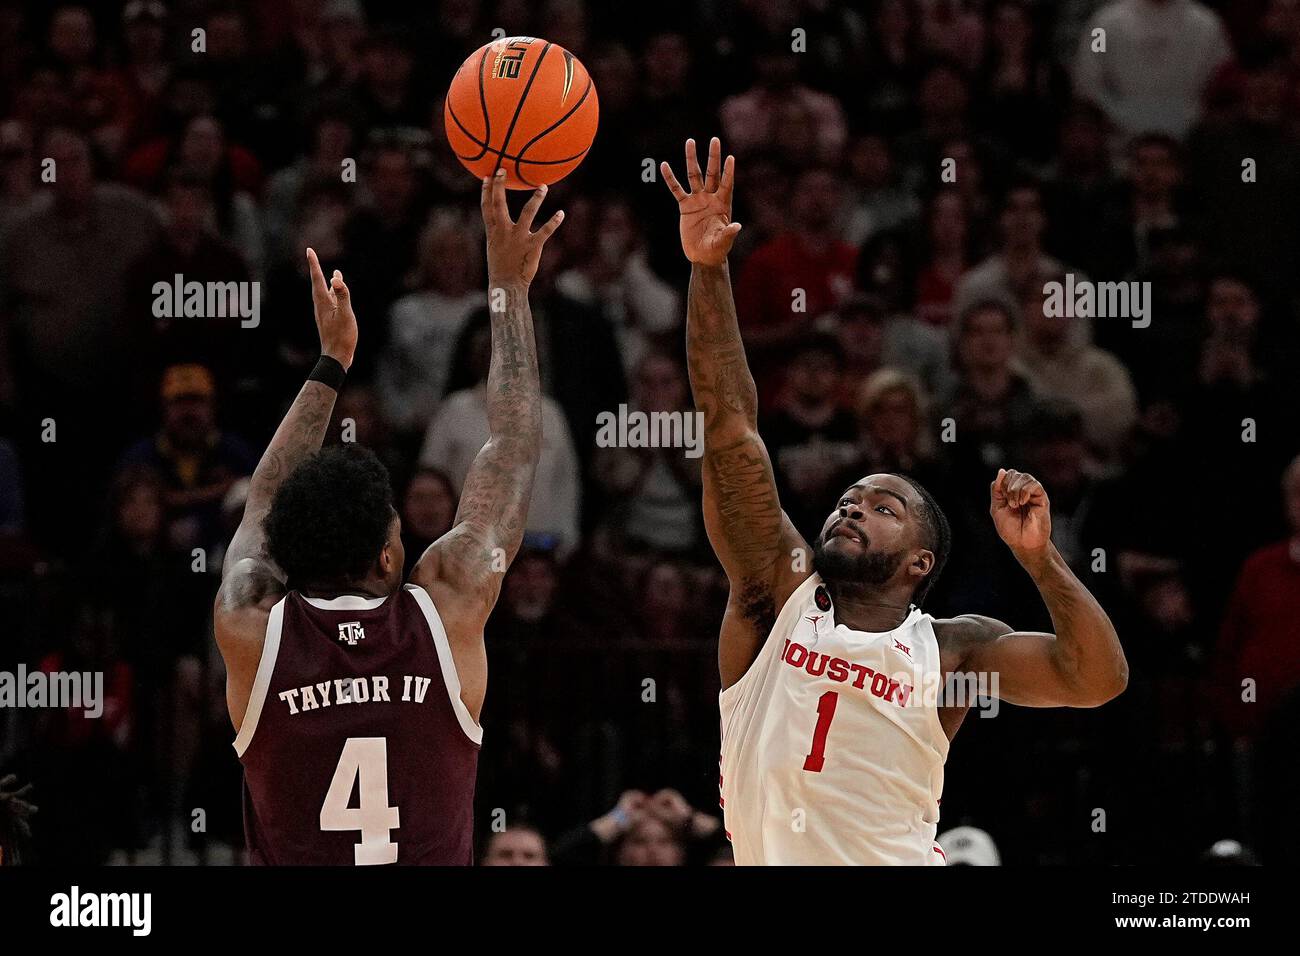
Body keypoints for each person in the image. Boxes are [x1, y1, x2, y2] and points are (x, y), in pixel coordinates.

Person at [661, 136, 1128, 865]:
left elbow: (1097, 679)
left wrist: (1041, 562)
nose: (851, 508)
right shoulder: (774, 596)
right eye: (849, 498)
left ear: (920, 561)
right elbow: (729, 426)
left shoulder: (950, 650)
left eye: (883, 507)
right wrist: (709, 269)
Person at [212, 171, 563, 865]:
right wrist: (508, 288)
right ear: (385, 558)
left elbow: (261, 502)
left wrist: (330, 364)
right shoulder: (449, 610)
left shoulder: (251, 624)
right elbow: (514, 446)